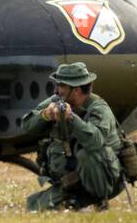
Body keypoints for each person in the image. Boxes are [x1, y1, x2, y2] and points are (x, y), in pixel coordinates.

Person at [21, 62, 124, 211]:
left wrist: (71, 118)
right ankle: (73, 198)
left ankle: (97, 198)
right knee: (34, 208)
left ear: (75, 90)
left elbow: (95, 142)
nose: (57, 89)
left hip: (104, 179)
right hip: (71, 179)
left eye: (62, 86)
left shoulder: (99, 109)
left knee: (87, 154)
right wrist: (45, 115)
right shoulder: (56, 101)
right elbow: (27, 124)